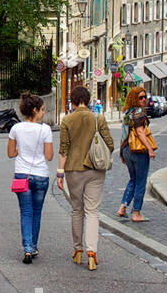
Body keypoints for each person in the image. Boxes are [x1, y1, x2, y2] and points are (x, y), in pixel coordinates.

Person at [56, 85, 114, 271]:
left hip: (74, 169)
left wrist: (59, 172)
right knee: (92, 211)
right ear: (88, 100)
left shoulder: (67, 120)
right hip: (95, 169)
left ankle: (78, 250)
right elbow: (110, 144)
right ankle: (92, 252)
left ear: (72, 101)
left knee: (77, 209)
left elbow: (63, 148)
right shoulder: (98, 118)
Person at [7, 92, 53, 264]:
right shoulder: (45, 129)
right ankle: (33, 246)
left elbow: (11, 153)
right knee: (36, 212)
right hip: (41, 175)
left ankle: (27, 248)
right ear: (35, 110)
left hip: (21, 175)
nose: (43, 113)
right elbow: (49, 156)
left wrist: (21, 151)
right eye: (42, 110)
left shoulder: (15, 129)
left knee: (25, 212)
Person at [117, 87, 156, 223]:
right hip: (138, 151)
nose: (144, 99)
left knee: (133, 179)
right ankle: (136, 213)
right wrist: (150, 149)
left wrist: (122, 152)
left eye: (145, 97)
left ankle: (123, 206)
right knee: (140, 181)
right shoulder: (139, 113)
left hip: (127, 149)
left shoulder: (127, 113)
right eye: (140, 97)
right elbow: (140, 133)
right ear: (134, 98)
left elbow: (123, 134)